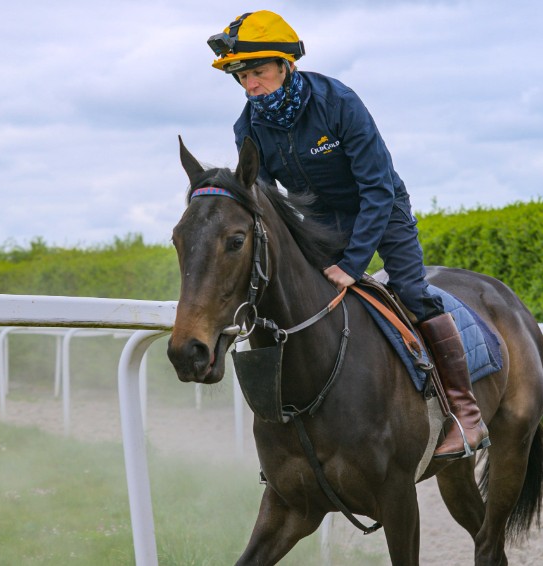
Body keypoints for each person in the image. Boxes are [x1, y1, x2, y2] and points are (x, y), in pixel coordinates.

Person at [206, 10, 489, 460]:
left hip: (381, 206)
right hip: (318, 220)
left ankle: (464, 413)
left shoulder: (339, 102)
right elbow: (267, 206)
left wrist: (353, 265)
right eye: (242, 77)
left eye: (258, 72)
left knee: (413, 292)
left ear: (285, 65)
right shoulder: (248, 128)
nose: (251, 86)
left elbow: (376, 187)